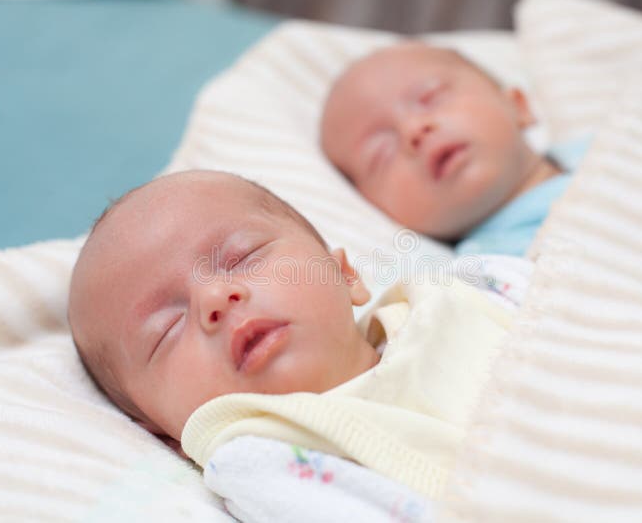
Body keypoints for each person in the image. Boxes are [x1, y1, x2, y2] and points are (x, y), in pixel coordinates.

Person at [68, 169, 515, 500]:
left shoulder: (469, 291)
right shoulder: (259, 465)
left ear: (344, 273)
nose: (216, 299)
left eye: (244, 256)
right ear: (166, 434)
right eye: (166, 329)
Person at [320, 41, 578, 257]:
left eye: (430, 98)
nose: (414, 130)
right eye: (381, 153)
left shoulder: (600, 151)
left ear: (518, 106)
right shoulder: (481, 282)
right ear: (381, 212)